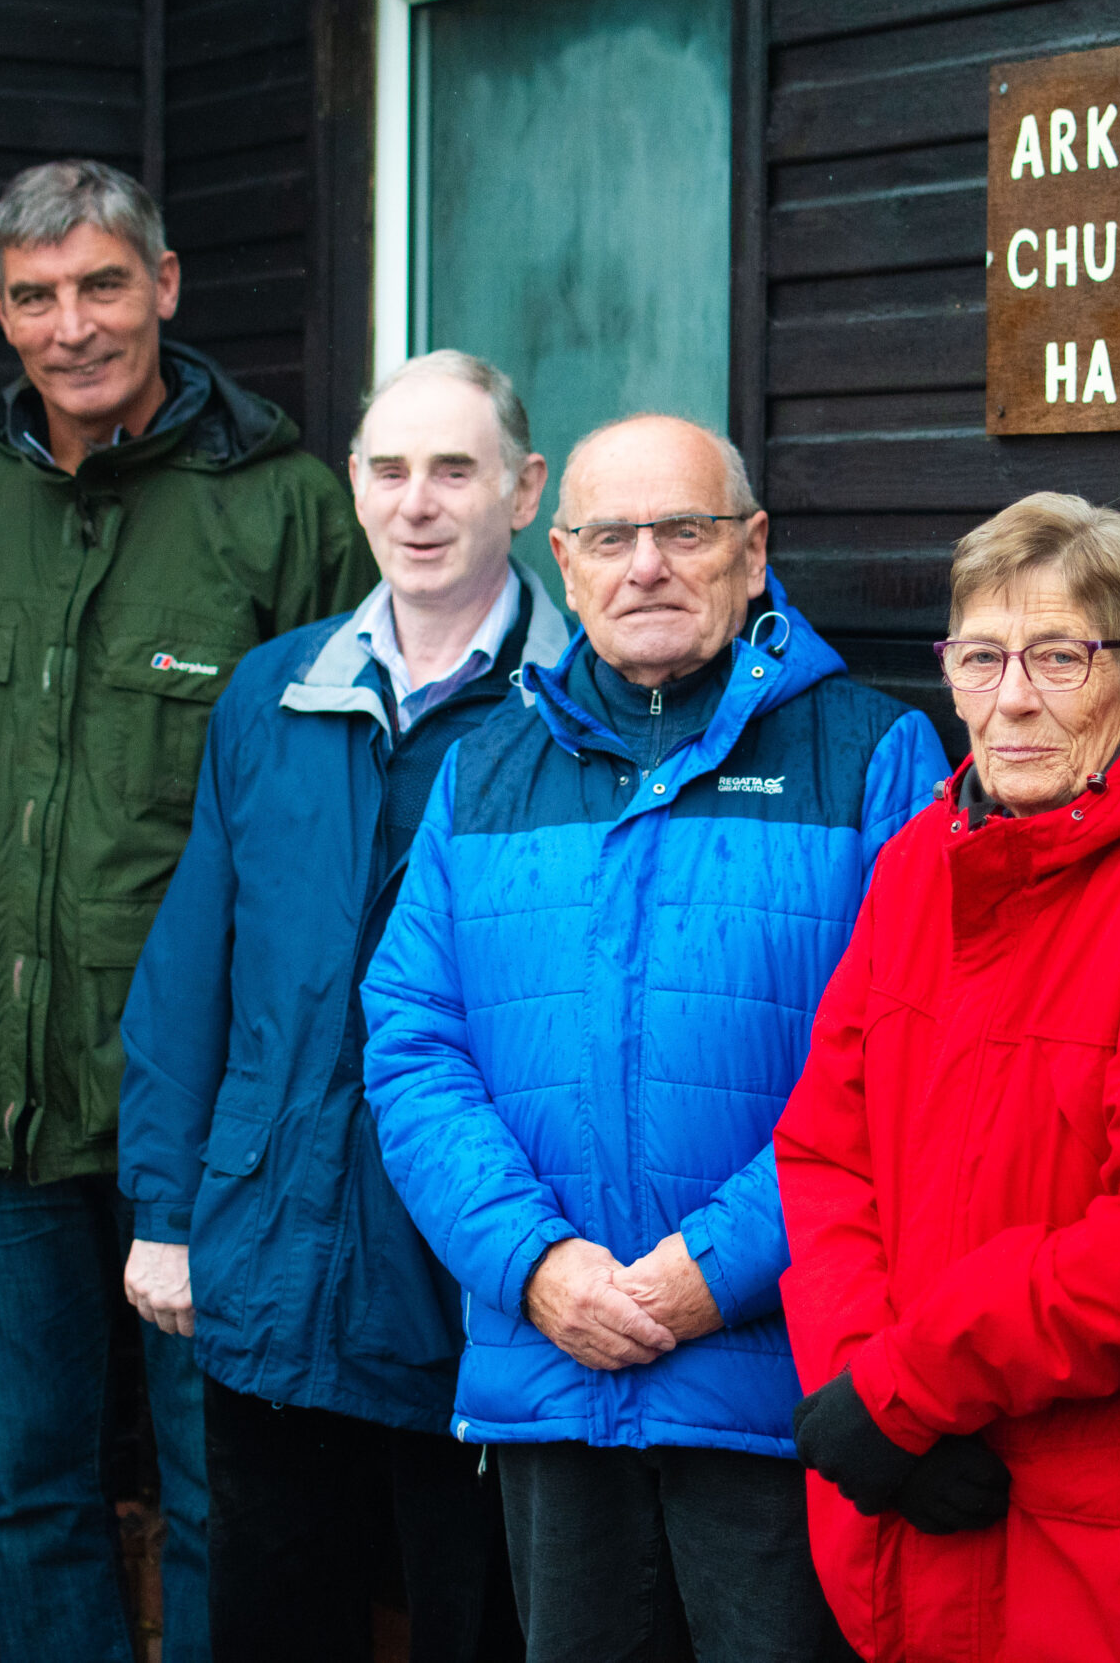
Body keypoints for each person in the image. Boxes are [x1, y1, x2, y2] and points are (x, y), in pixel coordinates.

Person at [0, 159, 375, 1663]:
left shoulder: (286, 511)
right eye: (35, 297)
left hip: (209, 1111)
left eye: (104, 285)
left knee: (219, 1480)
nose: (73, 325)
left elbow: (367, 781)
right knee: (31, 1485)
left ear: (166, 285)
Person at [360, 414, 949, 1662]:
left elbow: (901, 1064)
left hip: (779, 1383)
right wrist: (534, 1265)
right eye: (612, 537)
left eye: (684, 531)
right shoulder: (488, 772)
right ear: (562, 562)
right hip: (550, 1379)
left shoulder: (872, 756)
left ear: (751, 550)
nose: (648, 566)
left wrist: (718, 1268)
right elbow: (412, 1043)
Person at [774, 494, 1120, 1662]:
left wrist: (905, 1393)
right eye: (979, 658)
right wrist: (864, 1389)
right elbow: (826, 1149)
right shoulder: (924, 856)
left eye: (1060, 657)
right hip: (917, 1502)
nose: (1011, 698)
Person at [117, 351, 558, 1662]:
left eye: (455, 469)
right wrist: (166, 1206)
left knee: (475, 1620)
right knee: (272, 1617)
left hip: (471, 1263)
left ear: (524, 490)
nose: (417, 502)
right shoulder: (273, 690)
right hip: (276, 1244)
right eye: (388, 468)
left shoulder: (569, 705)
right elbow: (192, 963)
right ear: (356, 486)